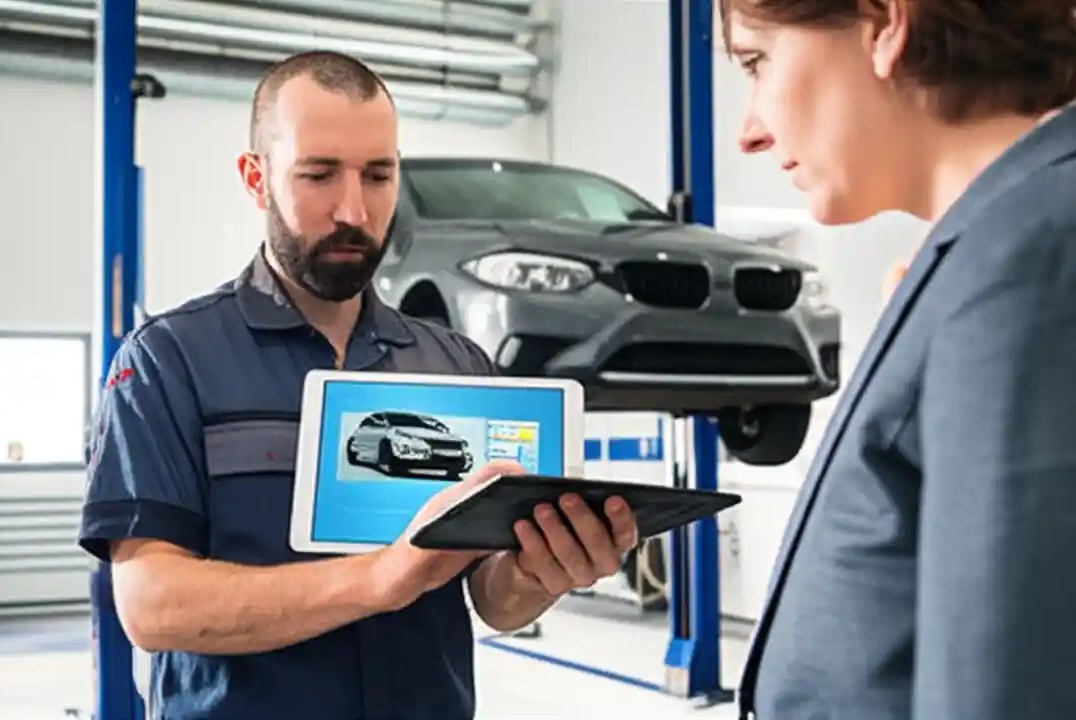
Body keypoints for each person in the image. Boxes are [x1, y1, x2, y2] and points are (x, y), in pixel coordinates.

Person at [77, 50, 639, 719]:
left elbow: (494, 599)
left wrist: (547, 569)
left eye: (379, 175)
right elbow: (152, 606)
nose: (354, 209)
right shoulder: (170, 361)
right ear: (256, 179)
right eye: (318, 175)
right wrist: (378, 579)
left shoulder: (458, 367)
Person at [720, 1, 1076, 718]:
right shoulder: (990, 248)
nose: (749, 133)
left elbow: (1002, 692)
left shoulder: (1027, 259)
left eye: (757, 61)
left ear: (883, 23)